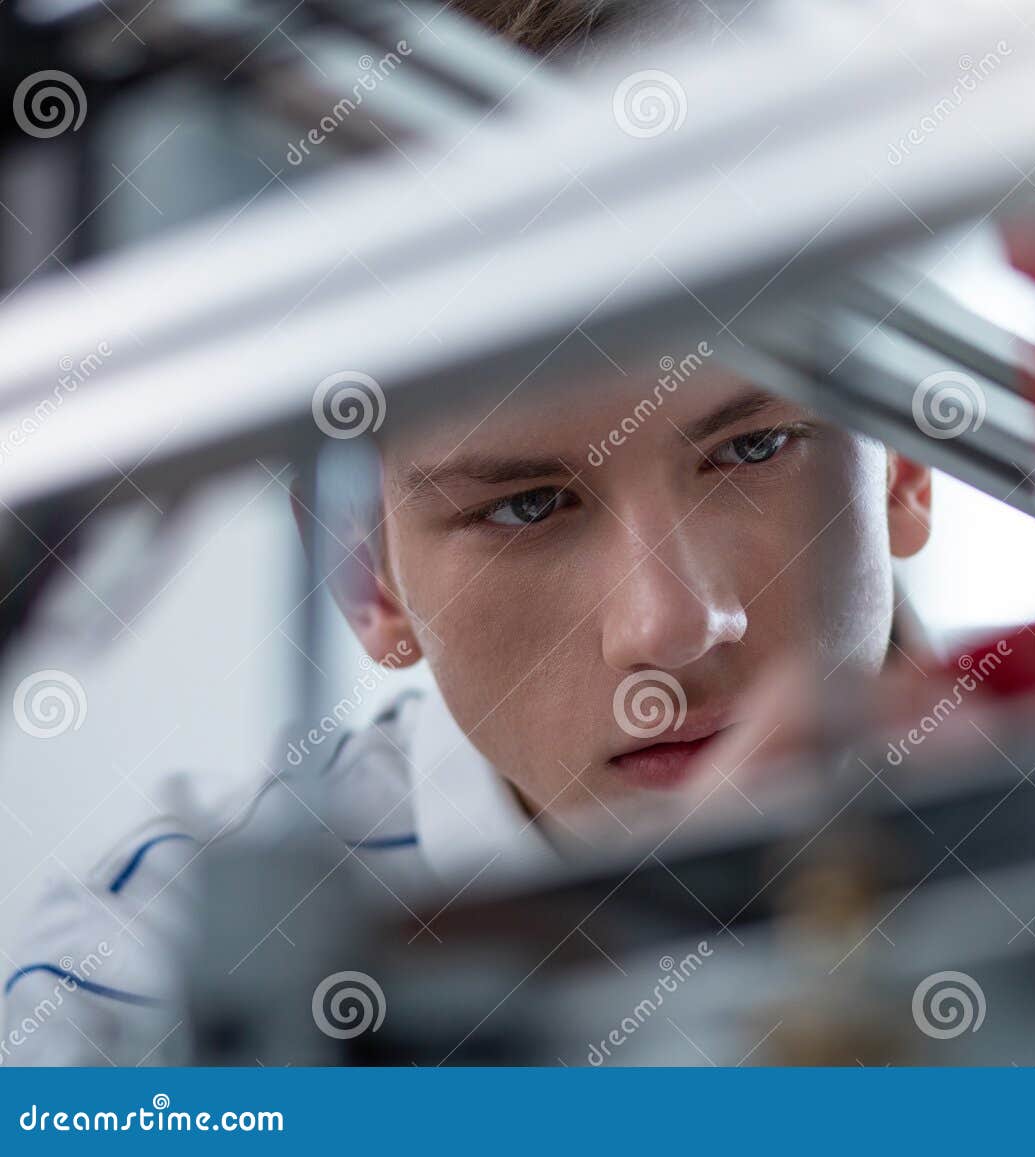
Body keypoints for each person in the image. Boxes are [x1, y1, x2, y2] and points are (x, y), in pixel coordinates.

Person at [0, 0, 936, 1065]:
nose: (671, 625)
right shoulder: (145, 967)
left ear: (904, 463)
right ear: (369, 580)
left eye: (755, 447)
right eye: (526, 506)